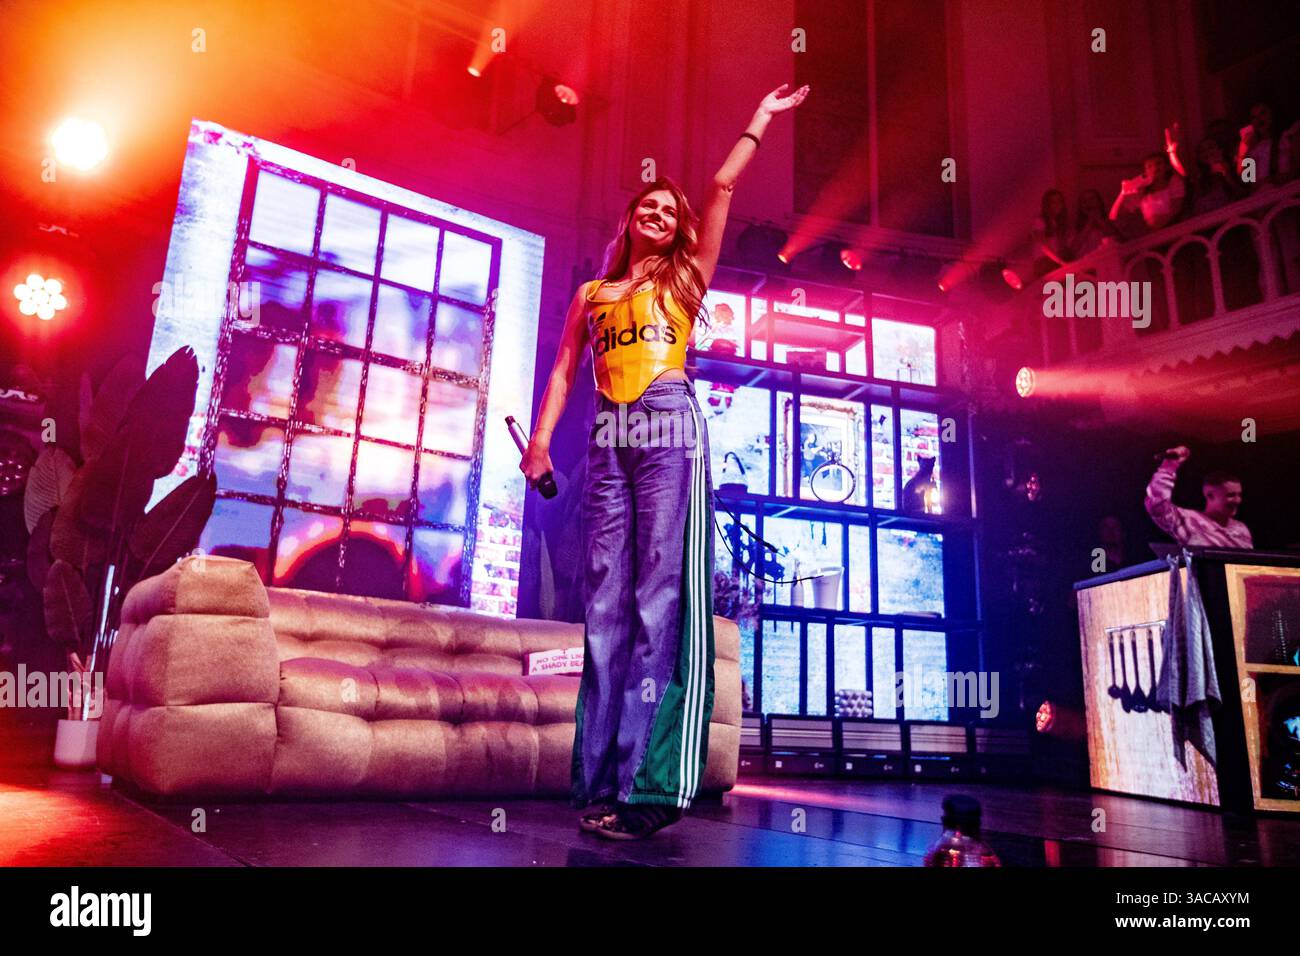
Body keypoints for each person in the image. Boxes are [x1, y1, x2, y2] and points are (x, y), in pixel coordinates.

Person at [520, 82, 810, 840]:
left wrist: (759, 119)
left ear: (679, 229)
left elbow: (719, 186)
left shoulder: (686, 277)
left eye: (669, 211)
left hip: (668, 427)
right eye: (648, 206)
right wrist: (543, 440)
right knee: (603, 608)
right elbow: (560, 373)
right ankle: (598, 784)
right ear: (630, 218)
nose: (658, 213)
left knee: (658, 600)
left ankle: (649, 789)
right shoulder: (594, 291)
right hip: (608, 436)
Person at [1144, 446, 1253, 549]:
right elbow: (1156, 504)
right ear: (1209, 495)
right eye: (1231, 495)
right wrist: (1169, 466)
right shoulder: (1187, 520)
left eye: (1239, 495)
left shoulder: (1241, 528)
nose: (1238, 500)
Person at [1110, 149, 1186, 236]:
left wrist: (1159, 229)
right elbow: (1114, 216)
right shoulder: (1142, 190)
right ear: (1145, 171)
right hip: (1150, 235)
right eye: (1149, 166)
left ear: (1166, 166)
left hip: (1172, 230)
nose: (1155, 168)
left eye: (1158, 163)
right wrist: (1123, 193)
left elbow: (1176, 209)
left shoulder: (1174, 182)